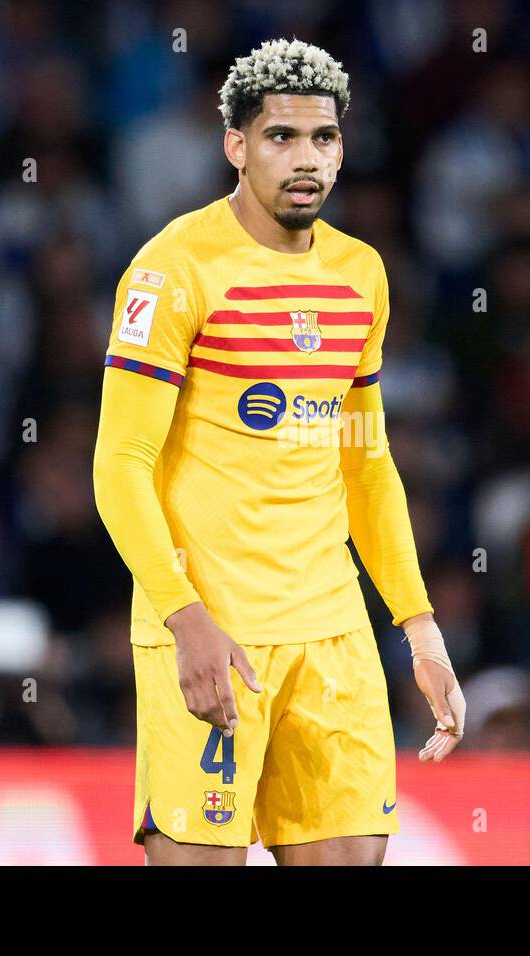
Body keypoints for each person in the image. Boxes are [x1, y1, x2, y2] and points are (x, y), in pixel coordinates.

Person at [93, 38, 465, 866]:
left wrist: (420, 626)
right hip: (212, 627)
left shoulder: (361, 273)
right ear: (236, 145)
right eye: (281, 137)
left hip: (331, 634)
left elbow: (365, 460)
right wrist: (184, 618)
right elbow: (118, 464)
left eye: (324, 139)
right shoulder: (172, 270)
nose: (307, 159)